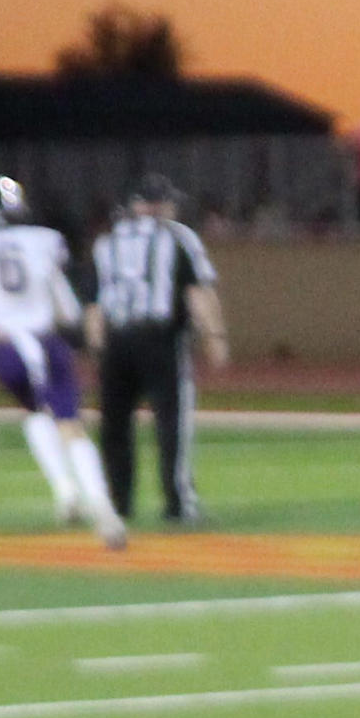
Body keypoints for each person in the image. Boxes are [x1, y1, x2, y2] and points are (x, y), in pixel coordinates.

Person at [0, 174, 127, 549]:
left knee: (36, 413)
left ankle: (65, 489)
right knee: (70, 424)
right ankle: (99, 501)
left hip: (5, 348)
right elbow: (67, 307)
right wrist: (70, 325)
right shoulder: (43, 241)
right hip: (45, 341)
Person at [88, 175, 227, 526]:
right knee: (171, 423)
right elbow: (196, 292)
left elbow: (94, 303)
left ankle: (119, 501)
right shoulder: (177, 237)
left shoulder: (106, 241)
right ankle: (179, 502)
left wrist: (97, 346)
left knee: (114, 425)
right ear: (156, 205)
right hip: (158, 338)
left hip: (118, 340)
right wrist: (215, 335)